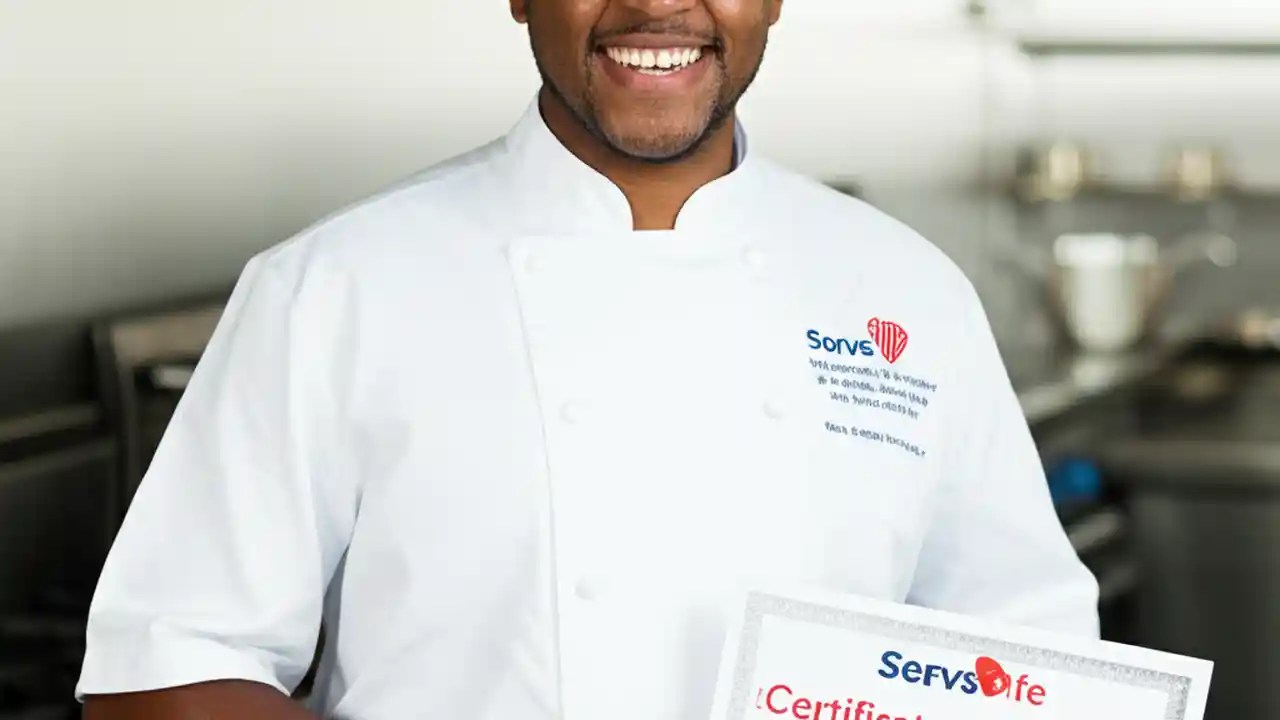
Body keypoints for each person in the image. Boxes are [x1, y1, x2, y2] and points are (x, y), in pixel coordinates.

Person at [78, 0, 1099, 718]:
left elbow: (1033, 659)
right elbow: (163, 672)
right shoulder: (334, 288)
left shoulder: (907, 292)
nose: (656, 4)